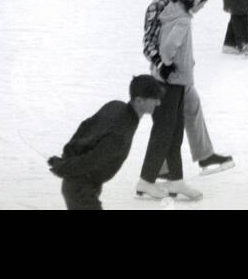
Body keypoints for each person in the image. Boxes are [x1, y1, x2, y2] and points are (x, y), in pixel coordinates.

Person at [134, 0, 211, 203]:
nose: (202, 7)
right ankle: (146, 180)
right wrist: (167, 65)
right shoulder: (182, 19)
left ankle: (176, 179)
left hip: (173, 82)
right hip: (171, 83)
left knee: (173, 132)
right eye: (203, 3)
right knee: (164, 132)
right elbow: (168, 48)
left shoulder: (174, 11)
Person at [49, 76, 166, 210]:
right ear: (140, 100)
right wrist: (63, 167)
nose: (158, 103)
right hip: (81, 190)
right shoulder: (120, 135)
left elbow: (85, 128)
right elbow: (90, 161)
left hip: (84, 186)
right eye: (155, 99)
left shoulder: (115, 105)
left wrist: (67, 157)